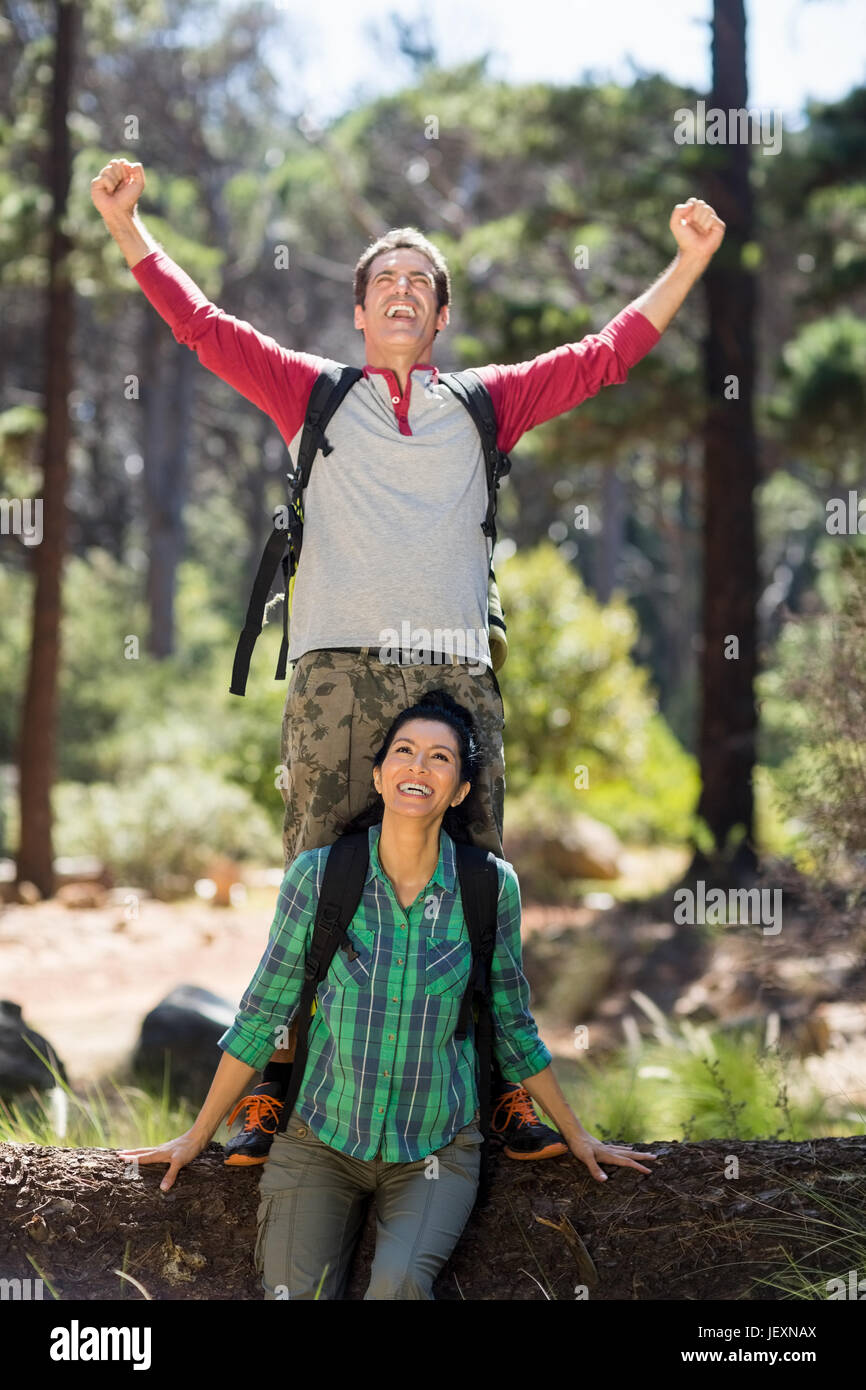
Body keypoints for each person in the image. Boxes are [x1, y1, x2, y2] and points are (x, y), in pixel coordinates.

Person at [91, 158, 725, 1163]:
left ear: (437, 322)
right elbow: (203, 327)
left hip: (454, 677)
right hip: (335, 677)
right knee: (314, 877)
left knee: (472, 880)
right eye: (383, 278)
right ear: (356, 311)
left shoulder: (485, 405)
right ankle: (277, 1088)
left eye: (419, 283)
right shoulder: (312, 393)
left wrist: (686, 261)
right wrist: (129, 228)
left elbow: (606, 354)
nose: (400, 290)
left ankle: (502, 1093)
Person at [118, 691, 658, 1300]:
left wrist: (577, 1134)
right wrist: (195, 1138)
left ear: (457, 790)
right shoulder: (319, 877)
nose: (418, 767)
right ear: (378, 775)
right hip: (320, 1139)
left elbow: (511, 1024)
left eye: (439, 758)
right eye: (403, 752)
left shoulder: (488, 887)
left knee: (399, 1286)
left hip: (436, 1145)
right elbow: (262, 1015)